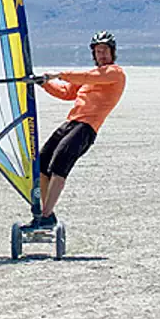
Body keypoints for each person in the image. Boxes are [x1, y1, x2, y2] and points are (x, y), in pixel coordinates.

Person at [31, 31, 126, 228]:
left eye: (105, 51)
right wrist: (45, 84)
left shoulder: (115, 73)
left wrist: (58, 74)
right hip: (70, 123)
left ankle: (46, 215)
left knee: (59, 166)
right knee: (41, 164)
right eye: (98, 51)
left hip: (86, 128)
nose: (102, 55)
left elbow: (86, 77)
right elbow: (67, 93)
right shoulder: (90, 77)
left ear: (112, 52)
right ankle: (45, 213)